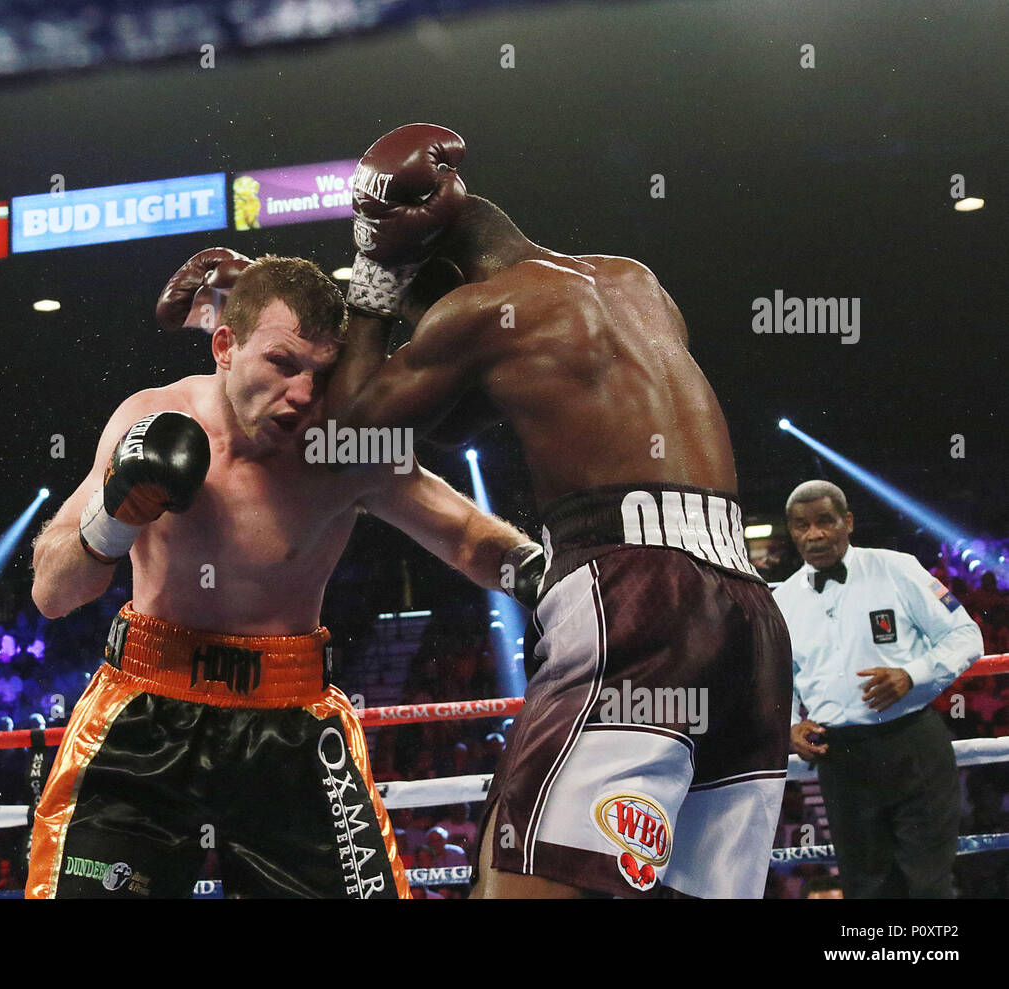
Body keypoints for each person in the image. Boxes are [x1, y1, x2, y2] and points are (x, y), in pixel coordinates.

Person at [330, 123, 792, 898]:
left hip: (635, 595)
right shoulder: (634, 282)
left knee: (518, 879)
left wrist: (374, 270)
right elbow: (466, 415)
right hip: (747, 610)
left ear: (443, 277)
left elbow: (349, 439)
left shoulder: (480, 310)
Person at [25, 252, 542, 899]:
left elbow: (467, 535)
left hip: (291, 729)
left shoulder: (344, 449)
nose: (301, 393)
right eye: (282, 362)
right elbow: (51, 592)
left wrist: (550, 579)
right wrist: (115, 510)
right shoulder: (150, 416)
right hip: (144, 717)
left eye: (320, 373)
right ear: (224, 346)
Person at [772, 479, 983, 898]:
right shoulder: (784, 601)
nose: (814, 534)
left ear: (847, 522)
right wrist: (790, 725)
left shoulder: (897, 568)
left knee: (928, 882)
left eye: (824, 522)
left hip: (911, 743)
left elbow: (967, 636)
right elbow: (782, 679)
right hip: (841, 757)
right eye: (802, 526)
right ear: (792, 531)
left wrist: (912, 674)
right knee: (865, 887)